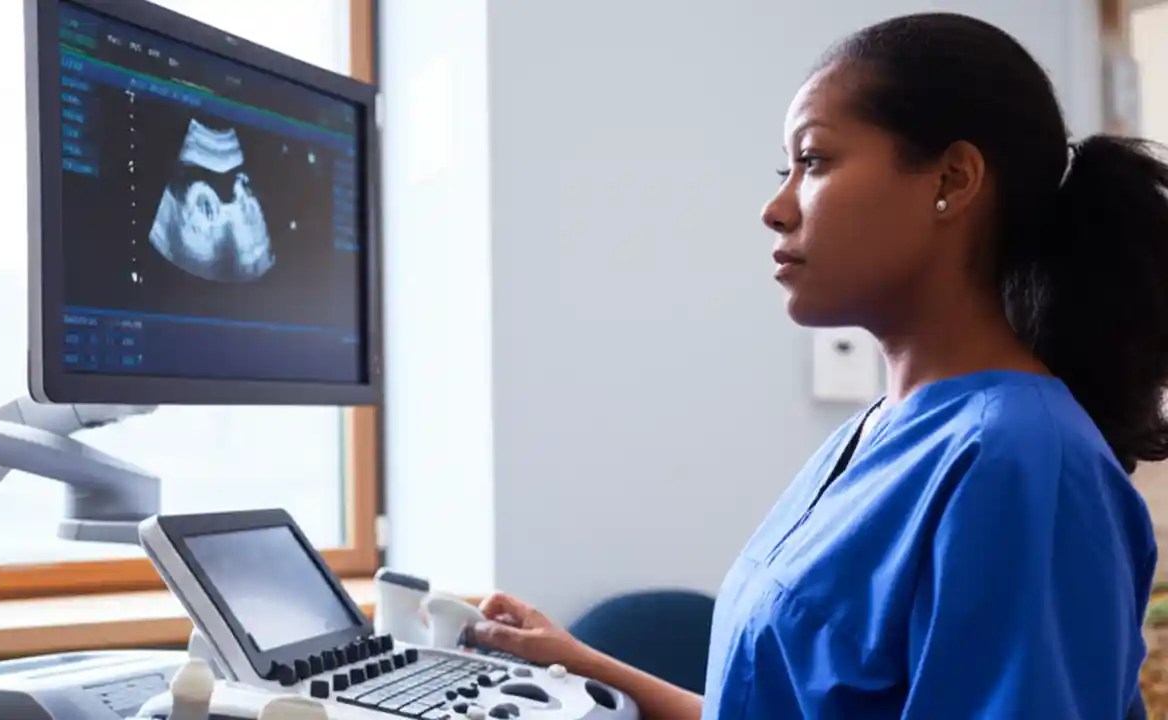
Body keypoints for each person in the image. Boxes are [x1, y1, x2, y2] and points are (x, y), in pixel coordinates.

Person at [469, 12, 1168, 719]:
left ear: (953, 180)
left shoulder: (1021, 461)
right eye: (787, 168)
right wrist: (576, 664)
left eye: (815, 161)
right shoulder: (878, 434)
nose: (776, 208)